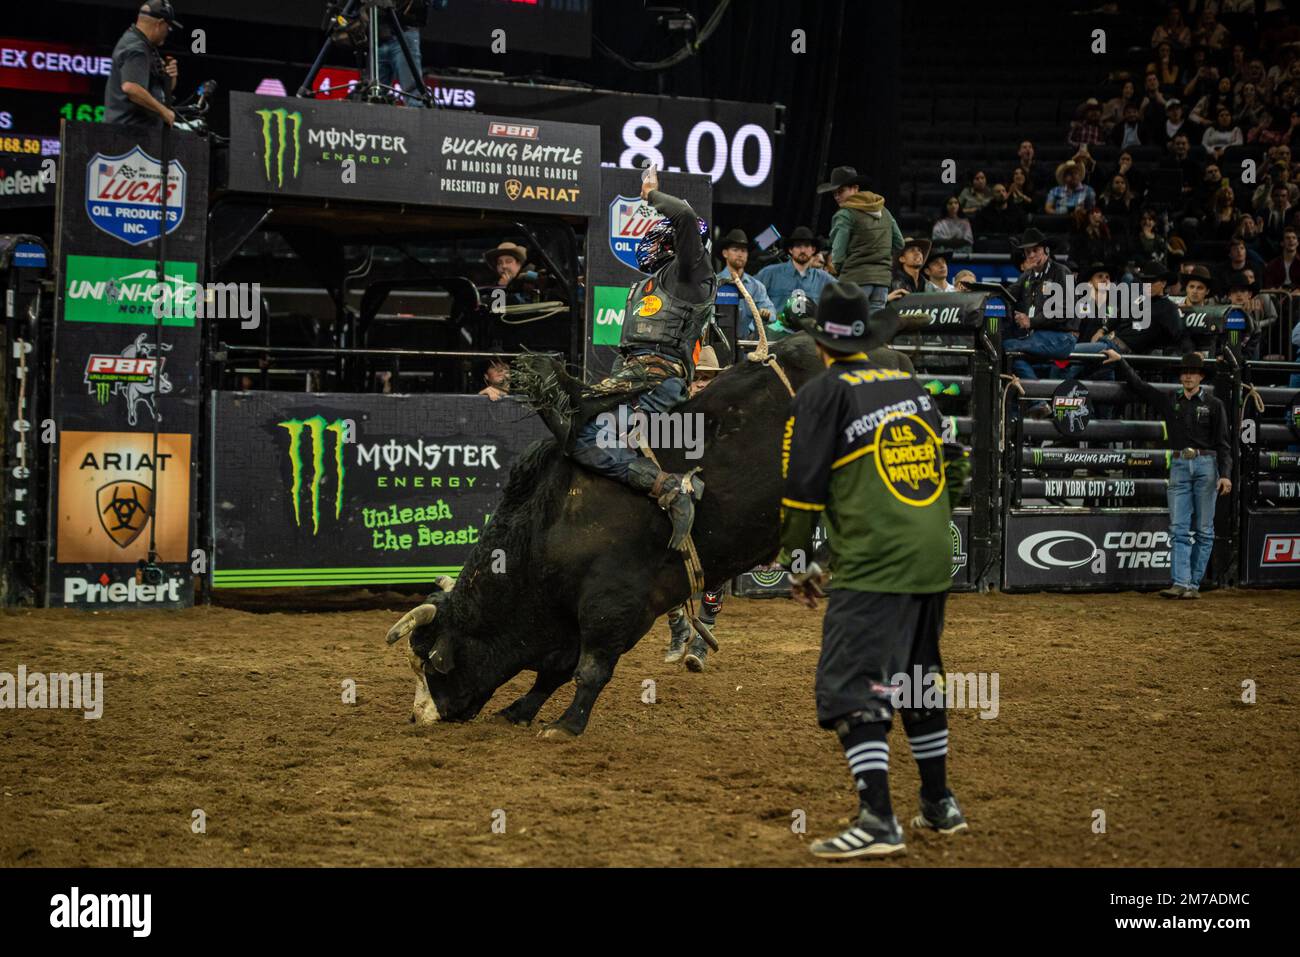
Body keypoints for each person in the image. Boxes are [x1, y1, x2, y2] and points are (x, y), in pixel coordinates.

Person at [777, 281, 964, 859]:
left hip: (876, 563)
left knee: (853, 684)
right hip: (931, 553)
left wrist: (798, 558)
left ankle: (879, 819)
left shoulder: (820, 392)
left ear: (820, 344)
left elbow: (802, 493)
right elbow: (954, 466)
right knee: (914, 677)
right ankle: (939, 804)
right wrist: (922, 522)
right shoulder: (910, 384)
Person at [569, 167, 714, 551]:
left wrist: (650, 194)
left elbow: (683, 216)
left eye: (656, 237)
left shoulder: (691, 273)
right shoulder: (647, 284)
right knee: (572, 415)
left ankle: (671, 486)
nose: (648, 243)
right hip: (635, 377)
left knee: (587, 440)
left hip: (657, 381)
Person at [1102, 350, 1231, 598]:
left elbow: (1223, 443)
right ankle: (1183, 582)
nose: (1188, 377)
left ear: (1201, 376)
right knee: (1179, 527)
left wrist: (1224, 474)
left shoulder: (1214, 405)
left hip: (1205, 463)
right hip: (1182, 463)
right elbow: (1141, 387)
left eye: (1192, 373)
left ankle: (1191, 584)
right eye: (1185, 373)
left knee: (1203, 529)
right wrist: (1122, 362)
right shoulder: (1172, 400)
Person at [664, 345, 726, 672]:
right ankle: (677, 625)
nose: (702, 384)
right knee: (660, 558)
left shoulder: (724, 414)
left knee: (717, 566)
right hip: (676, 496)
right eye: (698, 378)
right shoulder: (674, 409)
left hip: (715, 500)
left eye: (708, 378)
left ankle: (702, 637)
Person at [820, 165, 904, 315]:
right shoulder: (884, 211)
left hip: (855, 279)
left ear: (855, 188)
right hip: (882, 281)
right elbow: (899, 243)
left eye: (841, 191)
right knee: (874, 329)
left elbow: (838, 253)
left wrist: (841, 270)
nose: (837, 196)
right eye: (834, 193)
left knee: (850, 325)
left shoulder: (845, 214)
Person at [1003, 228, 1078, 389]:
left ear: (1046, 250)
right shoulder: (1028, 275)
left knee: (1008, 347)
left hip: (1063, 337)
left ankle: (1034, 395)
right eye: (1027, 252)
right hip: (1040, 338)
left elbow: (1067, 310)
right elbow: (1007, 294)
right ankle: (1038, 401)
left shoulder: (1062, 272)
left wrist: (1032, 321)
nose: (1030, 256)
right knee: (1012, 354)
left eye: (1035, 250)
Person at [104, 0, 182, 129]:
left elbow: (162, 91)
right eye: (167, 28)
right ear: (160, 24)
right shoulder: (136, 48)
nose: (167, 32)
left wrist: (170, 76)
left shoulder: (147, 46)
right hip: (126, 135)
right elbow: (131, 88)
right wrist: (164, 111)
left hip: (140, 134)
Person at [716, 229, 775, 338]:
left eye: (743, 251)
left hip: (748, 347)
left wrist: (767, 313)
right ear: (725, 253)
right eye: (735, 250)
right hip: (720, 345)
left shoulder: (756, 287)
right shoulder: (715, 283)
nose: (740, 254)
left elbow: (771, 313)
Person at [756, 226, 833, 310]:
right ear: (790, 250)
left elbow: (844, 295)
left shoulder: (823, 279)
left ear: (813, 250)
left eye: (807, 246)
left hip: (811, 322)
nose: (803, 250)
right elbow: (748, 293)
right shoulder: (770, 273)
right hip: (776, 322)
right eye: (798, 246)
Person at [377, 0, 427, 106]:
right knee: (373, 95)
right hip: (380, 36)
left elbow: (440, 4)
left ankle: (415, 122)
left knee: (413, 97)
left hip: (405, 35)